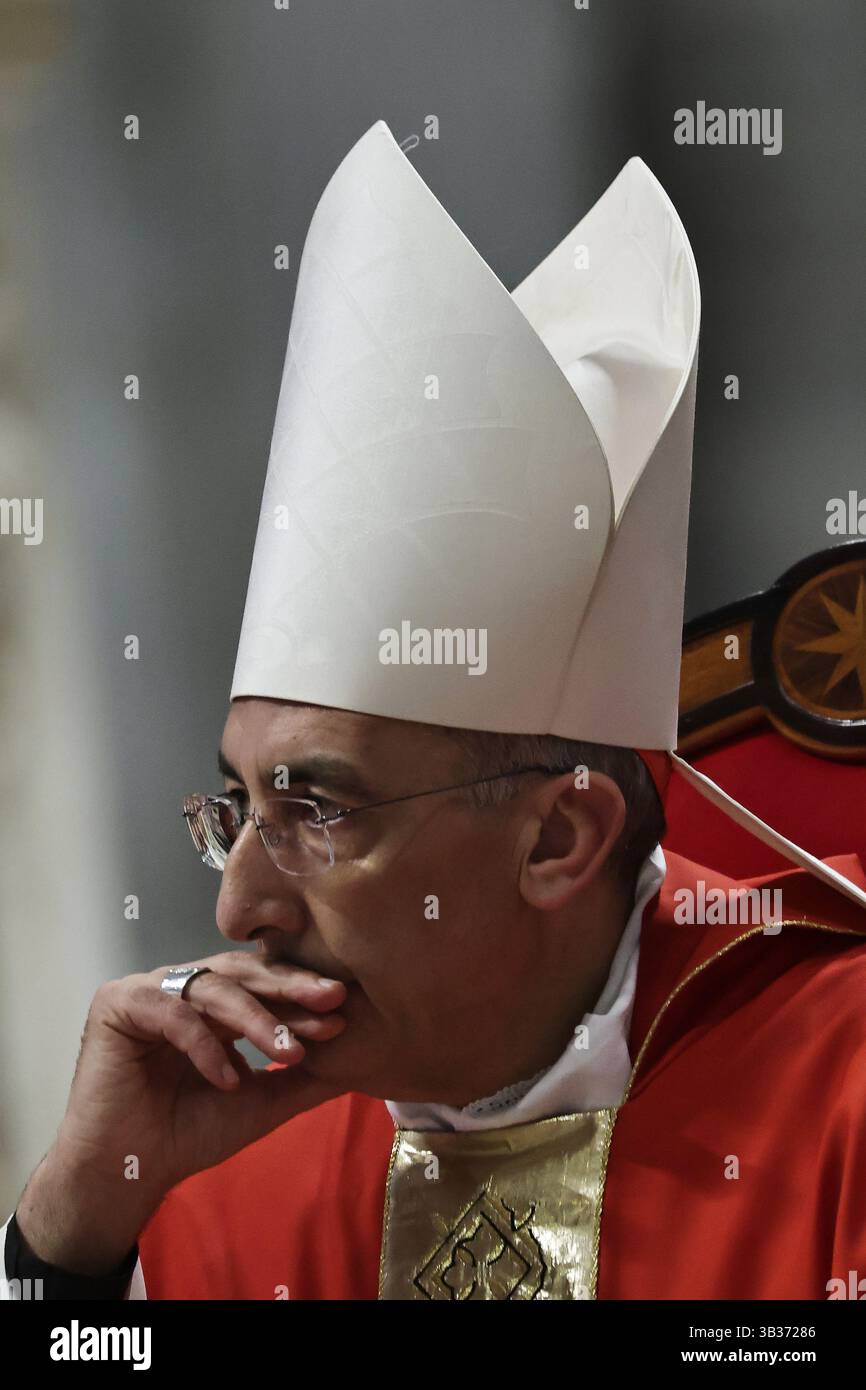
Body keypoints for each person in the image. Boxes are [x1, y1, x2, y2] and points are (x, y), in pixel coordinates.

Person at [3, 121, 865, 1302]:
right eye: (237, 808)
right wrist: (65, 1238)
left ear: (558, 838)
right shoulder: (222, 1167)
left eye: (315, 809)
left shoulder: (836, 1094)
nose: (235, 903)